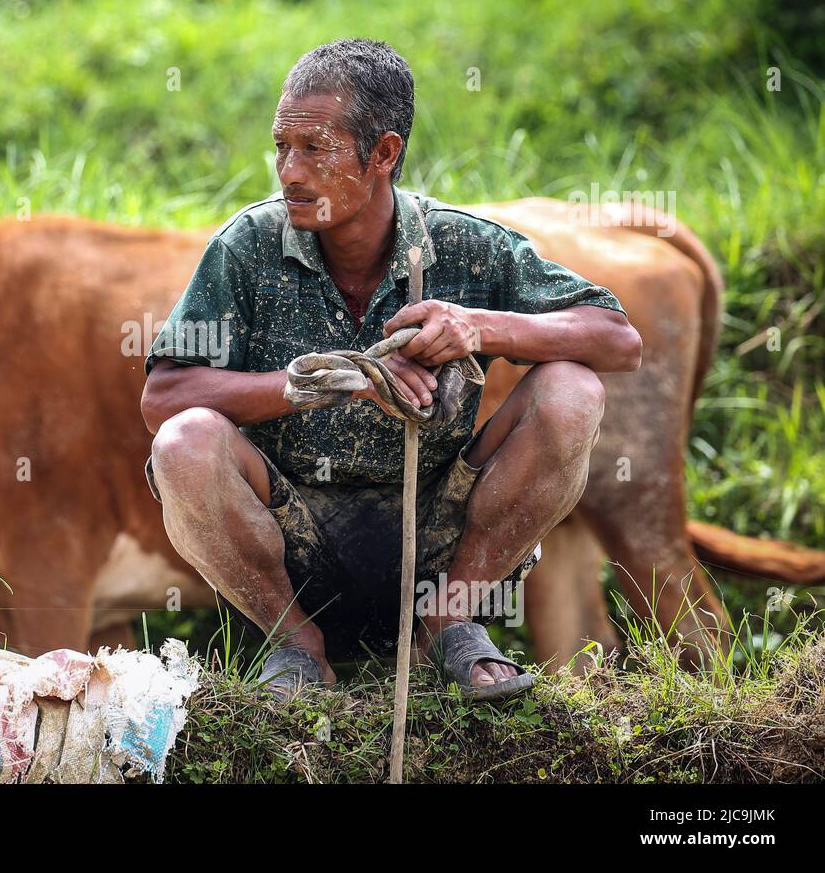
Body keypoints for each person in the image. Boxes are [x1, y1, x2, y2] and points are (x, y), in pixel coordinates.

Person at [139, 38, 642, 700]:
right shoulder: (246, 248)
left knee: (573, 390)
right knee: (183, 442)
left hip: (439, 535)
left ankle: (449, 623)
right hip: (292, 546)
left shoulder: (466, 245)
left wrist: (478, 325)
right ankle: (296, 645)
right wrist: (319, 381)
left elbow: (617, 337)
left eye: (313, 149)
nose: (288, 171)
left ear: (384, 154)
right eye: (280, 146)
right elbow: (163, 397)